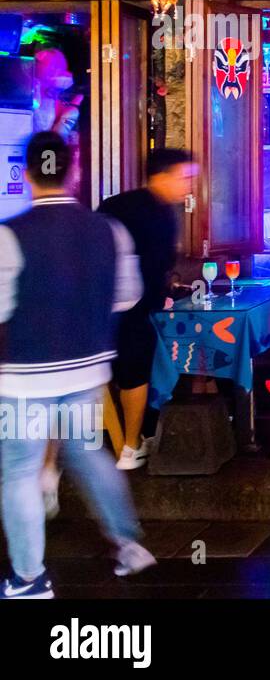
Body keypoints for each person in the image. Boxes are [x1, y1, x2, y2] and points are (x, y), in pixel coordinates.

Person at [0, 132, 155, 598]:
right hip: (86, 374)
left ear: (26, 175)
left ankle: (28, 578)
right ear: (74, 171)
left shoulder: (10, 235)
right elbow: (127, 296)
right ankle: (129, 544)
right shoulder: (109, 231)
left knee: (20, 472)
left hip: (23, 382)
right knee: (87, 453)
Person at [97, 148, 198, 470]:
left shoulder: (117, 205)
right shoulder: (155, 214)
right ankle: (130, 445)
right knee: (135, 372)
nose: (189, 186)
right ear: (162, 176)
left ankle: (127, 439)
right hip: (131, 308)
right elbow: (157, 267)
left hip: (102, 306)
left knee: (125, 371)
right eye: (185, 178)